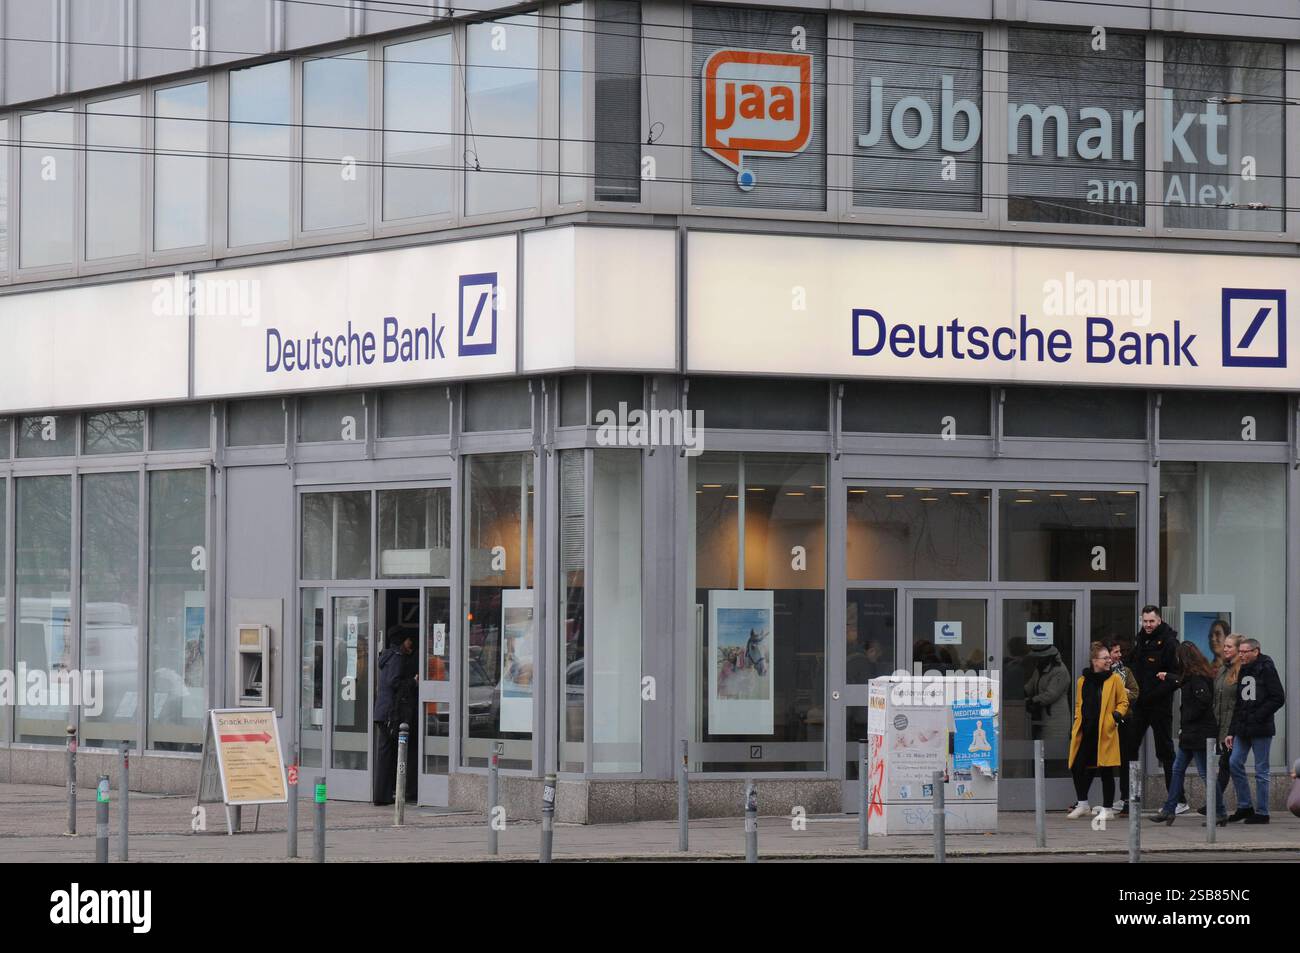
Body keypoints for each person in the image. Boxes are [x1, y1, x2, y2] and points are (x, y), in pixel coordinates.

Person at [1149, 642, 1223, 825]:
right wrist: (1168, 676)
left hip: (1198, 733)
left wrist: (1186, 720)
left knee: (1205, 774)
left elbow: (1203, 700)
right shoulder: (1194, 676)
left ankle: (1220, 812)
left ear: (1183, 659)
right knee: (1177, 769)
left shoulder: (1197, 678)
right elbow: (1182, 681)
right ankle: (1169, 809)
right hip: (1192, 733)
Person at [1128, 605, 1183, 811]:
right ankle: (1130, 797)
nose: (1148, 625)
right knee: (1130, 747)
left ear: (1159, 620)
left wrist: (1151, 696)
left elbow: (1174, 677)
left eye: (1151, 621)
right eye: (1145, 621)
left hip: (1159, 705)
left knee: (1165, 752)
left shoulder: (1169, 643)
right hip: (1140, 706)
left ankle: (1178, 800)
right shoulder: (1141, 640)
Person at [1066, 642, 1130, 820]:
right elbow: (1079, 704)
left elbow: (1123, 702)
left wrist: (1115, 717)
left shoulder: (1114, 679)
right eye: (1105, 658)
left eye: (1109, 658)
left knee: (1106, 770)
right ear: (1095, 661)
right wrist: (1078, 720)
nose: (1109, 661)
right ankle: (1083, 803)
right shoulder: (1082, 681)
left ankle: (1108, 809)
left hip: (1105, 731)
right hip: (1086, 730)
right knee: (1077, 766)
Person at [1226, 637, 1286, 824]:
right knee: (1234, 762)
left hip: (1261, 728)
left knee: (1261, 770)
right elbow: (1239, 703)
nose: (1241, 654)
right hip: (1243, 728)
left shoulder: (1266, 668)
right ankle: (1245, 806)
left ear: (1256, 651)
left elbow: (1278, 697)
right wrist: (1231, 730)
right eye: (1240, 651)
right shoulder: (1243, 669)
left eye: (1245, 652)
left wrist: (1258, 716)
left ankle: (1262, 812)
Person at [1199, 633, 1242, 821]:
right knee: (1228, 766)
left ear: (1239, 650)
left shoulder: (1241, 671)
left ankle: (1216, 805)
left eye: (1229, 646)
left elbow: (1238, 702)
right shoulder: (1223, 669)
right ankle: (1221, 804)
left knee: (1227, 765)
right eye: (1225, 646)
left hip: (1233, 726)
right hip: (1220, 725)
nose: (1225, 649)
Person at [373, 633, 418, 807]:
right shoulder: (397, 658)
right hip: (390, 712)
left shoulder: (387, 656)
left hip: (382, 710)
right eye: (408, 638)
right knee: (390, 754)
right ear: (401, 640)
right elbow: (394, 682)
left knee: (385, 753)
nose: (410, 641)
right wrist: (413, 682)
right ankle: (383, 795)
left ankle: (382, 794)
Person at [1025, 643, 1071, 772]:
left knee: (1054, 755)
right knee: (1041, 755)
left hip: (1056, 721)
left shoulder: (1060, 670)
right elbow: (1030, 686)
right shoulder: (1039, 669)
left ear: (1049, 656)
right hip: (1041, 719)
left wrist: (1032, 700)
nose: (1037, 660)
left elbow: (1051, 695)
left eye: (1040, 657)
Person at [1105, 637, 1139, 813]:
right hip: (1107, 721)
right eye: (1115, 652)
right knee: (1107, 760)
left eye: (1119, 652)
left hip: (1125, 720)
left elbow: (1135, 692)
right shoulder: (1102, 672)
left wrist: (1122, 694)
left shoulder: (1126, 671)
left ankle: (1125, 798)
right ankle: (1106, 801)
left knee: (1125, 759)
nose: (1119, 655)